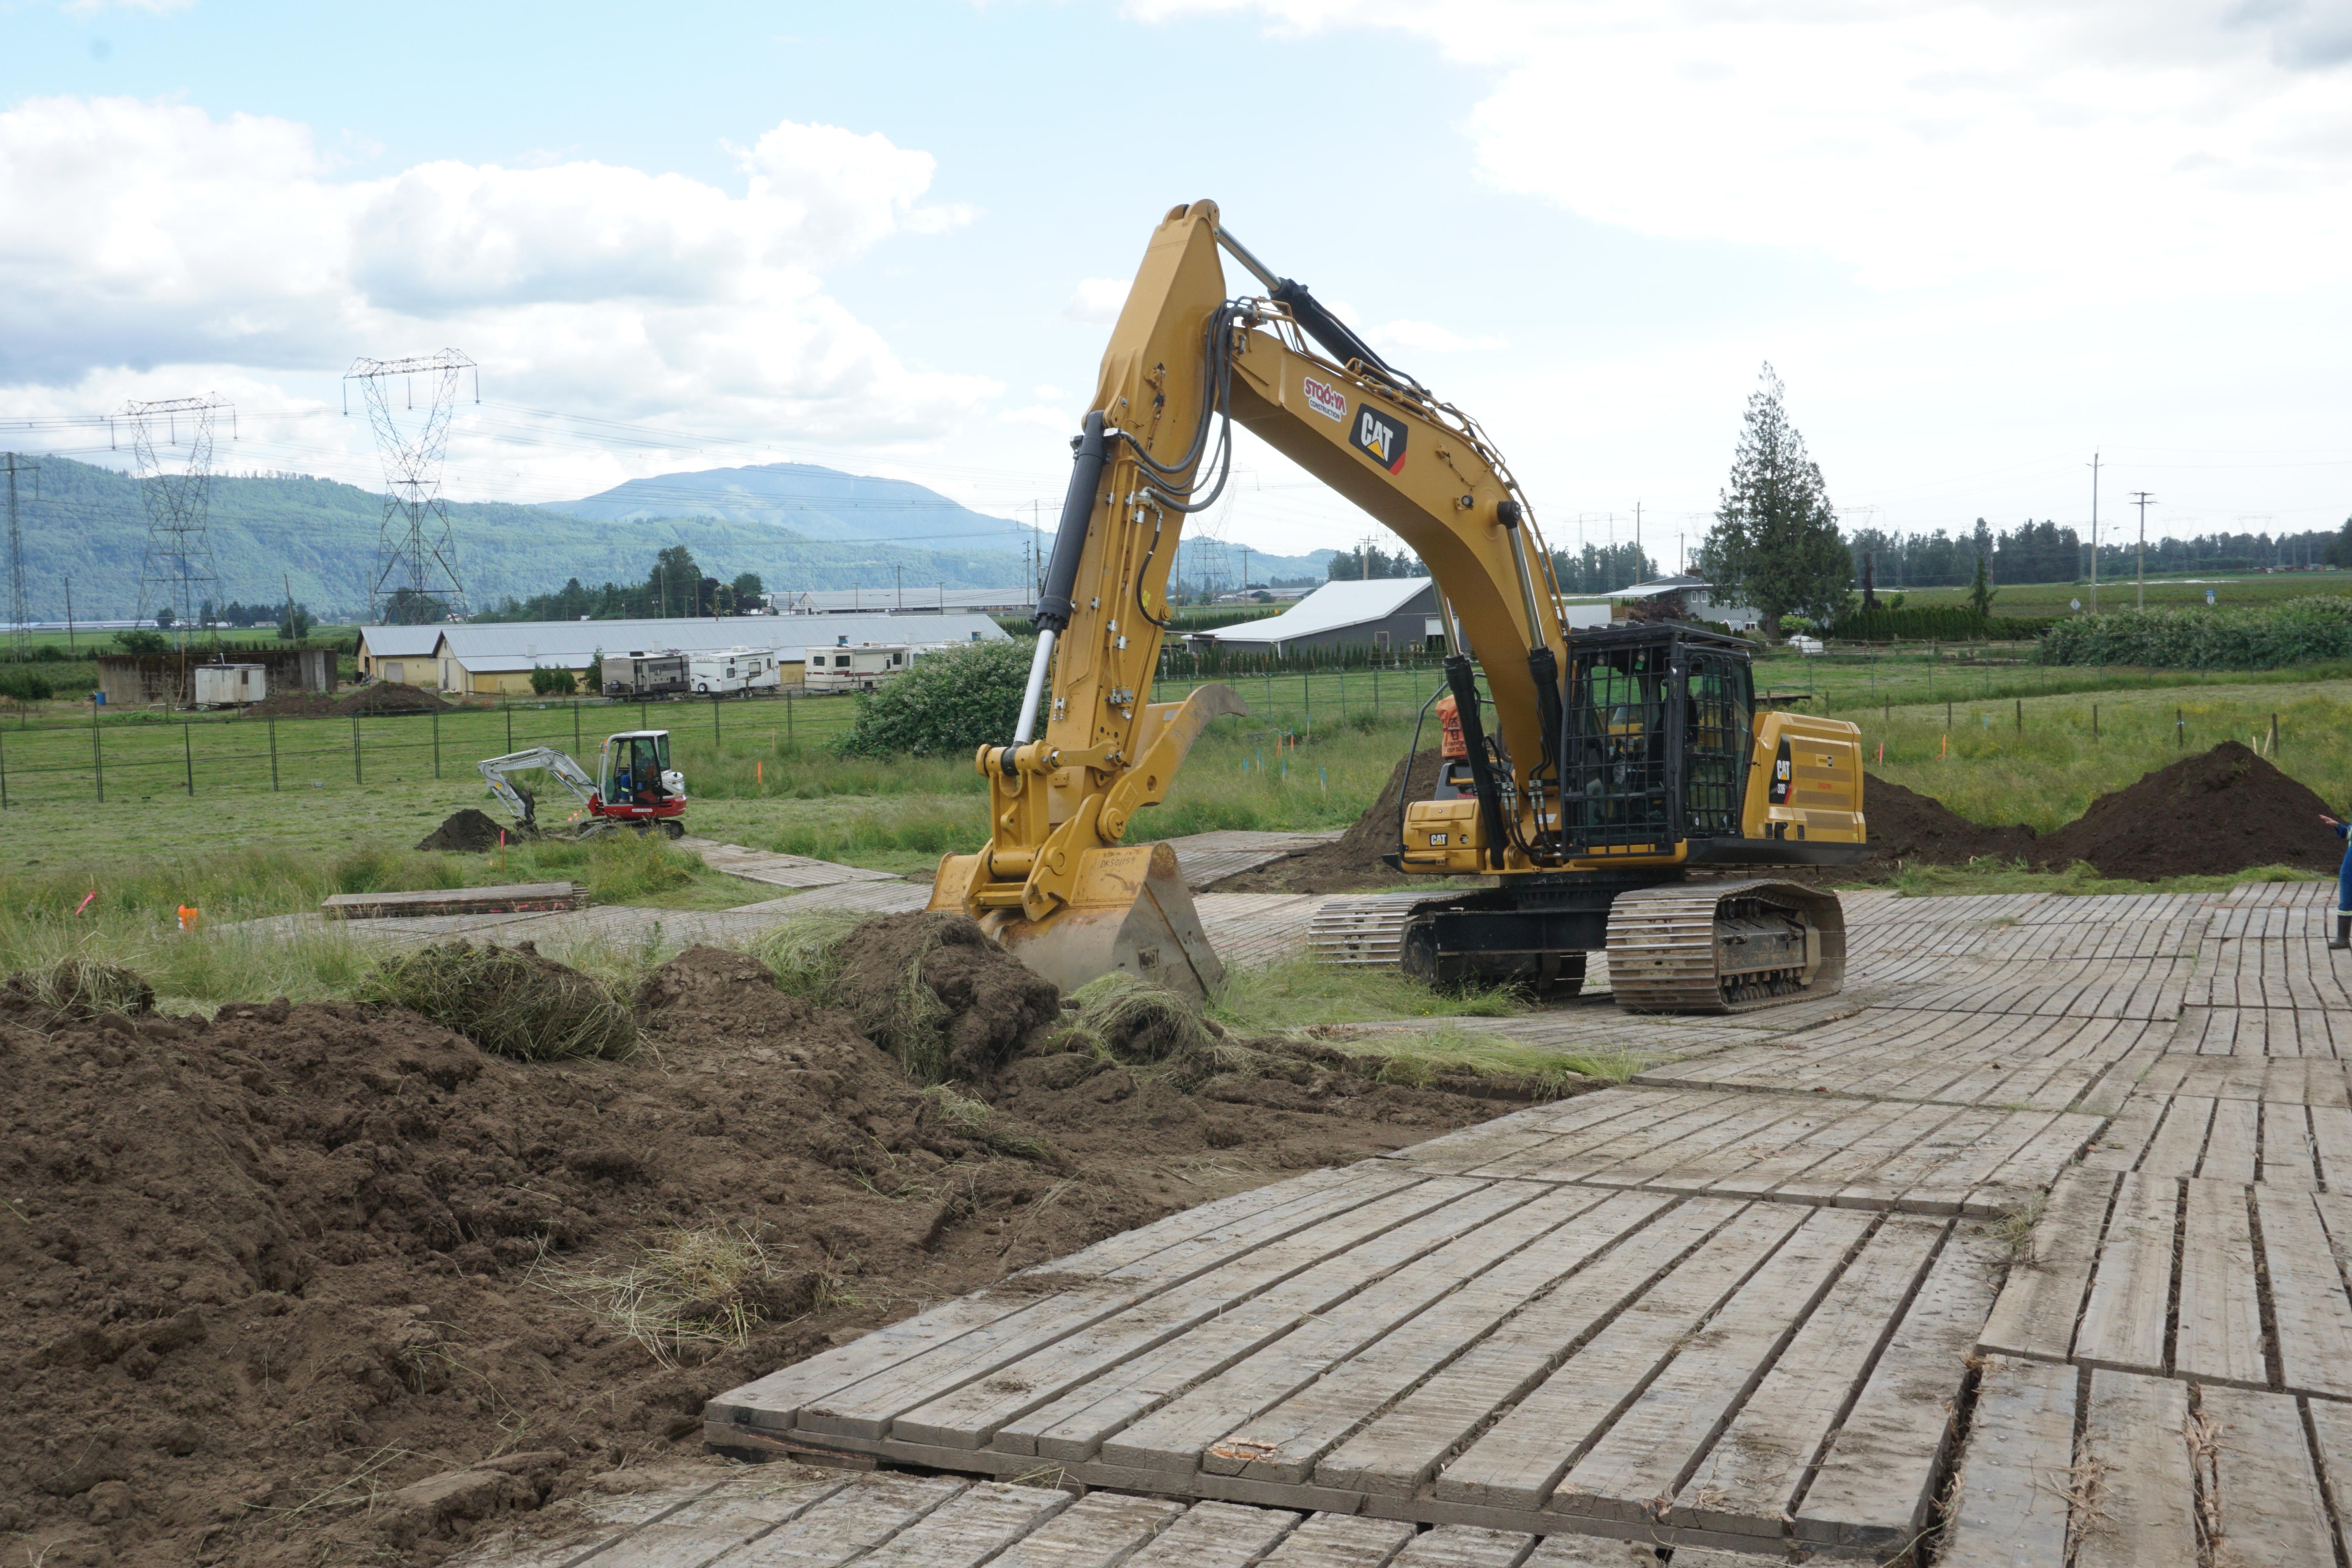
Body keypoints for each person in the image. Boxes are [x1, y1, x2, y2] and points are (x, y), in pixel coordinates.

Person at [2321, 812, 2352, 949]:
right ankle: (2343, 939)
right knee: (2346, 901)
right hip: (2350, 870)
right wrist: (2338, 826)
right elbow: (2348, 834)